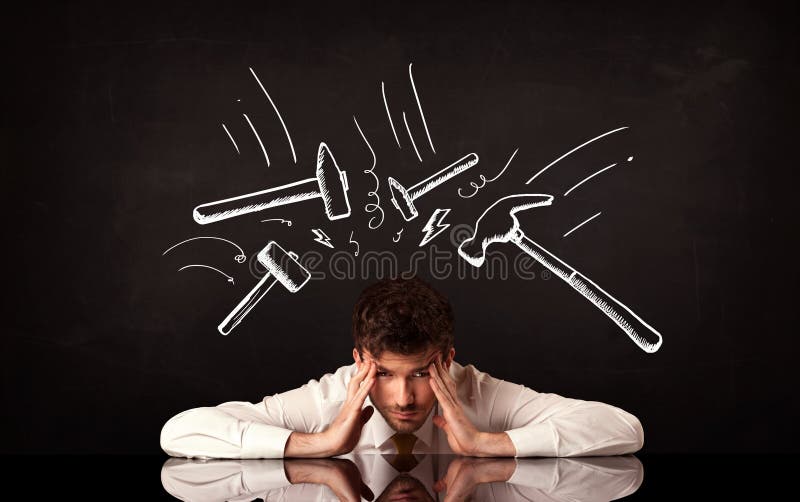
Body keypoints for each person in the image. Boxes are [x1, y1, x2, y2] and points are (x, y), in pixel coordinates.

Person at [160, 276, 644, 460]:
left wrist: (485, 443)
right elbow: (179, 432)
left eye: (419, 373)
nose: (403, 398)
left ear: (447, 359)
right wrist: (319, 444)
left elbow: (626, 429)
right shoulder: (332, 396)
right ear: (360, 361)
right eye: (385, 374)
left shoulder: (477, 391)